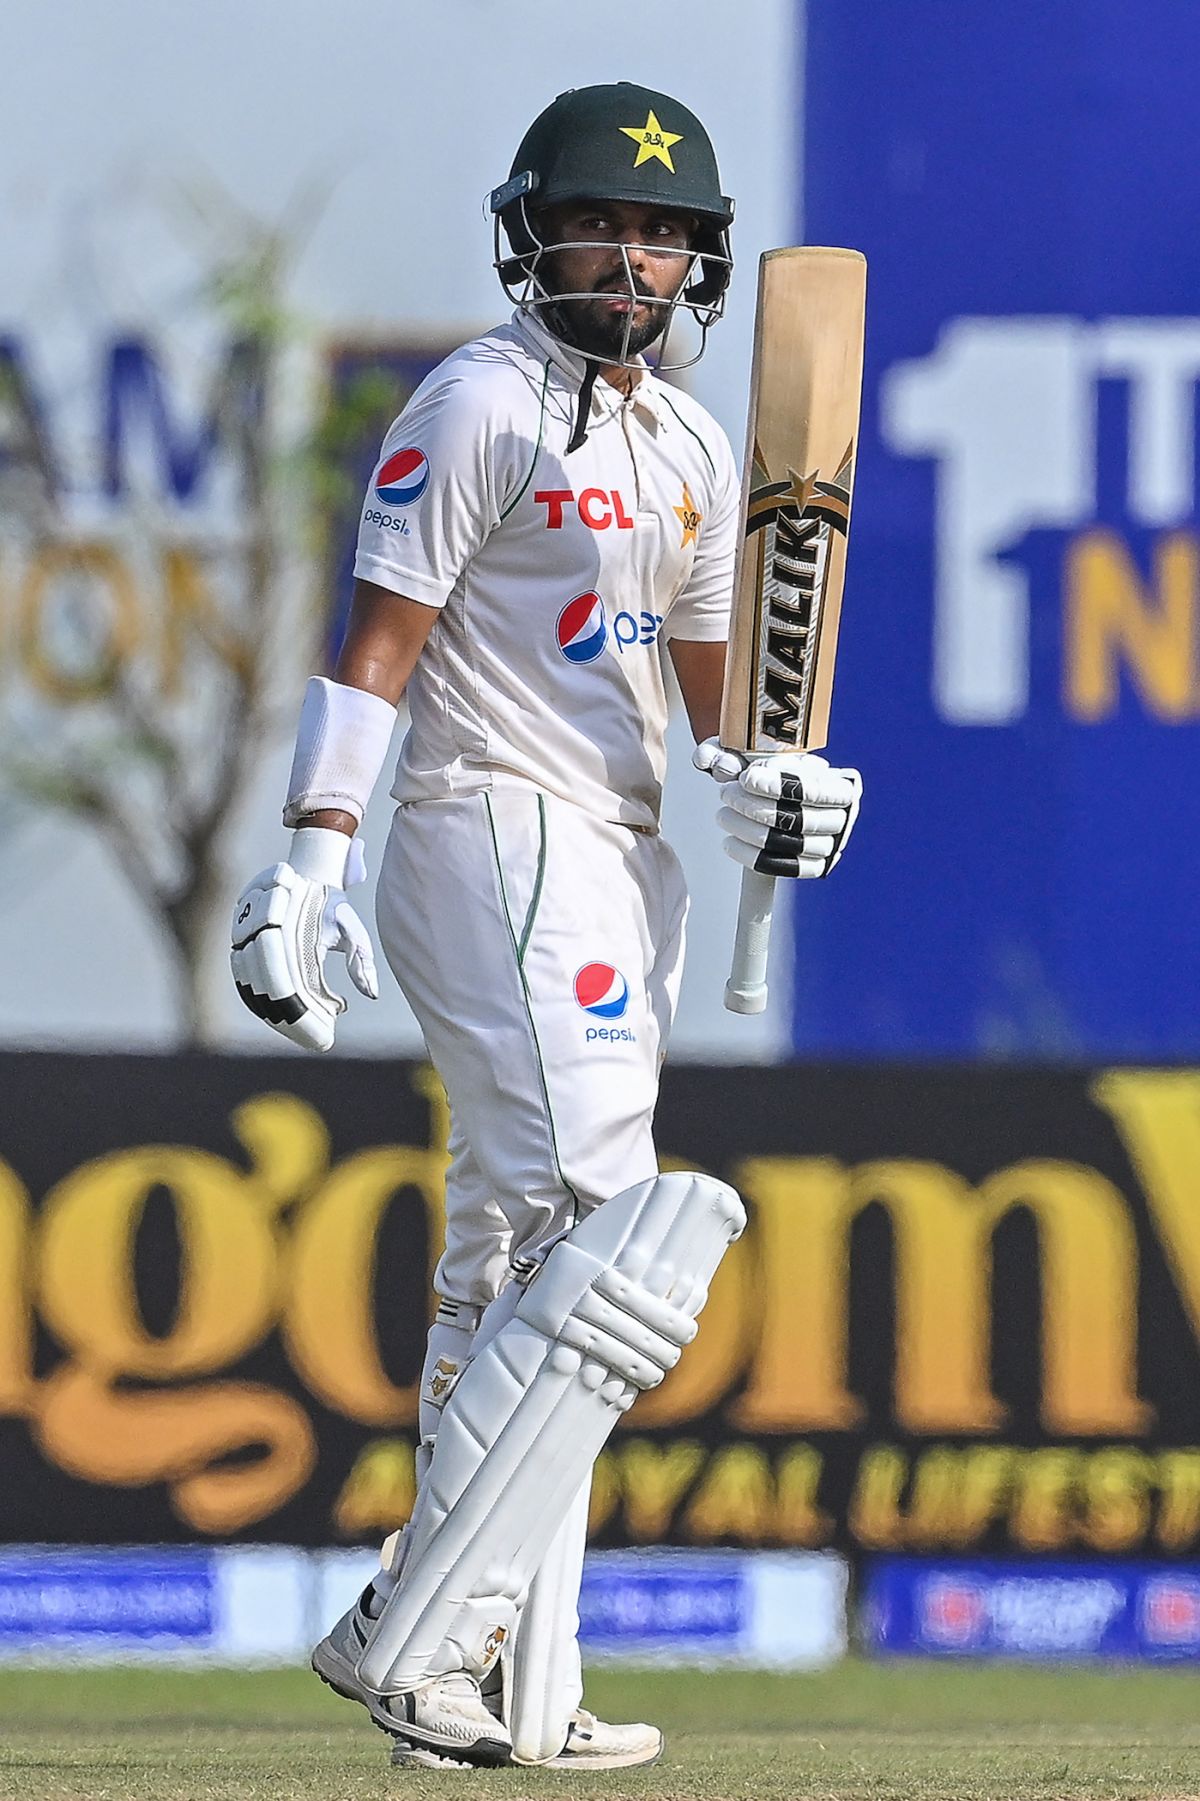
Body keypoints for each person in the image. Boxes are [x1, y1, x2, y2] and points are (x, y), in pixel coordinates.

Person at [231, 80, 861, 1772]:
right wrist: (308, 860)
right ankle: (418, 1620)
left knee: (519, 1256)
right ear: (533, 233)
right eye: (603, 222)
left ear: (699, 265)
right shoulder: (481, 404)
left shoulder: (697, 444)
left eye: (664, 234)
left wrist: (780, 782)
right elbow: (373, 644)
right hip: (488, 823)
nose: (634, 257)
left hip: (624, 852)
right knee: (613, 1222)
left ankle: (500, 1676)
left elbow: (727, 695)